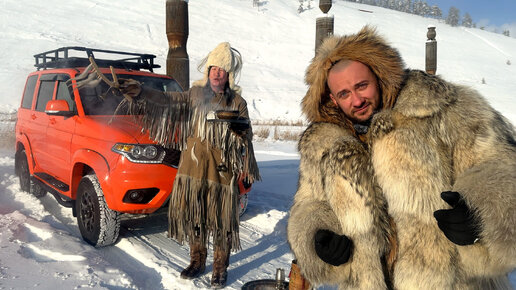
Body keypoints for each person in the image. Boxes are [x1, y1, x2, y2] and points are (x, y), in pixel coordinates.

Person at [287, 26, 516, 289]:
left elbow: (501, 165)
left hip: (453, 282)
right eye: (344, 94)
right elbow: (309, 205)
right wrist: (318, 238)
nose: (357, 100)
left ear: (379, 76)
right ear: (333, 99)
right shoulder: (323, 145)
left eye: (362, 86)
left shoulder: (442, 109)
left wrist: (481, 216)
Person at [120, 42, 260, 288]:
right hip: (193, 169)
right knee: (195, 217)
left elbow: (246, 136)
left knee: (221, 222)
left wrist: (241, 131)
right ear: (208, 71)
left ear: (229, 75)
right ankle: (197, 261)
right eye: (214, 68)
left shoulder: (238, 102)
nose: (217, 73)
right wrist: (141, 92)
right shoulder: (194, 95)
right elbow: (167, 100)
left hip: (222, 172)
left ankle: (219, 267)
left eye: (223, 70)